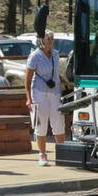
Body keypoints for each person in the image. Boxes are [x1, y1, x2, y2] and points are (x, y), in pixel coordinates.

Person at [25, 30, 65, 166]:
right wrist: (28, 99)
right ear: (42, 40)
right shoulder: (35, 56)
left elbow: (56, 73)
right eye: (48, 39)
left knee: (58, 123)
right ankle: (42, 154)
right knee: (40, 125)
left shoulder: (55, 54)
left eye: (52, 39)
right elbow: (28, 78)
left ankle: (62, 153)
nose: (51, 42)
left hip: (55, 93)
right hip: (39, 93)